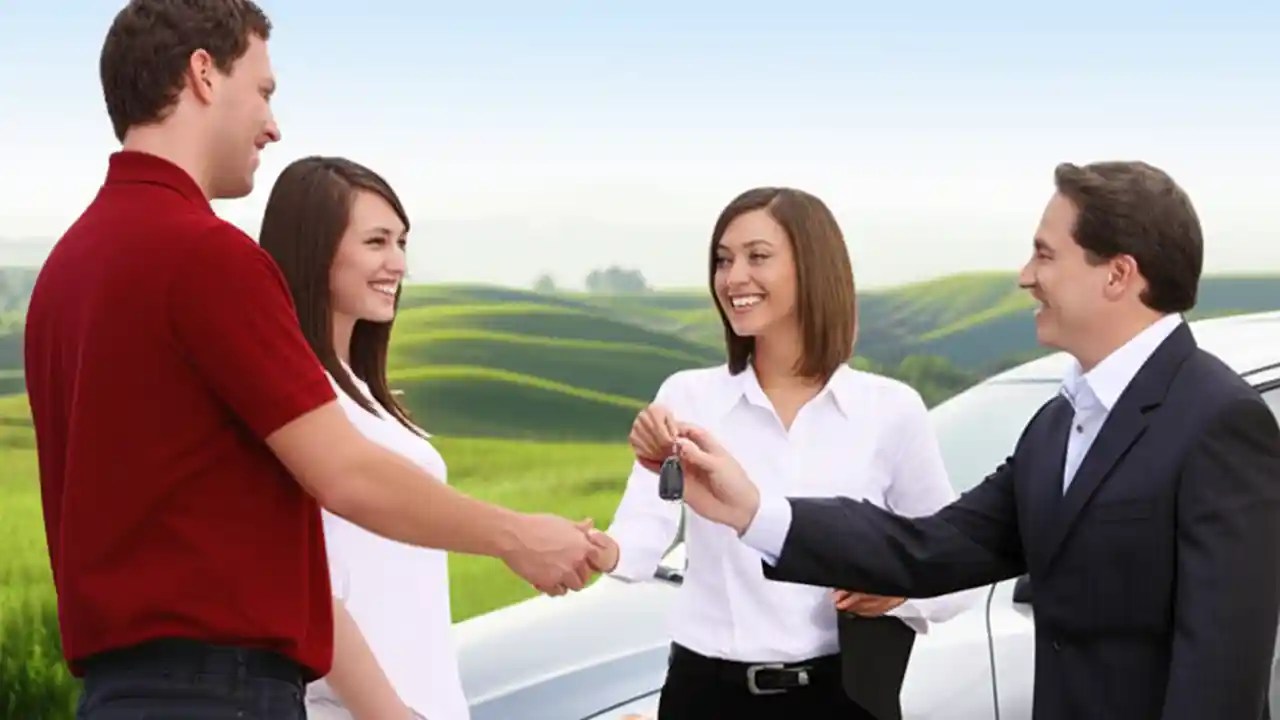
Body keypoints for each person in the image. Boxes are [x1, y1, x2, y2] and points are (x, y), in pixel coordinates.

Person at [22, 3, 598, 718]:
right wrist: (516, 537)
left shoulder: (64, 273)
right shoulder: (207, 256)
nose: (273, 126)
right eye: (263, 92)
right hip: (222, 695)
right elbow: (344, 471)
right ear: (203, 74)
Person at [667, 162, 1280, 720]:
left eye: (1045, 255)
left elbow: (1222, 674)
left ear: (1118, 275)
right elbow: (933, 545)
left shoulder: (1219, 421)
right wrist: (754, 511)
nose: (1025, 276)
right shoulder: (1057, 426)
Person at [585, 187, 979, 719]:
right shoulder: (688, 397)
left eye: (757, 256)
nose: (733, 277)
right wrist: (596, 550)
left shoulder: (890, 411)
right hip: (707, 698)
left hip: (841, 699)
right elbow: (640, 536)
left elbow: (952, 568)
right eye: (723, 260)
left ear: (812, 267)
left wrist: (898, 596)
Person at [256, 156, 473, 720]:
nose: (397, 262)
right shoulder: (301, 412)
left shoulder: (362, 397)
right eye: (376, 242)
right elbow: (310, 586)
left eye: (401, 242)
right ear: (314, 250)